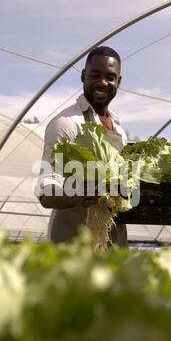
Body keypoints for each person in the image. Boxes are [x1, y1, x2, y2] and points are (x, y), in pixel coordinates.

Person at [36, 46, 128, 246]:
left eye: (110, 77)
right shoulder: (66, 123)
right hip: (72, 244)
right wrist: (77, 196)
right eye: (95, 75)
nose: (103, 82)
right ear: (83, 76)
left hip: (112, 243)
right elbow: (45, 190)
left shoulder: (119, 132)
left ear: (118, 82)